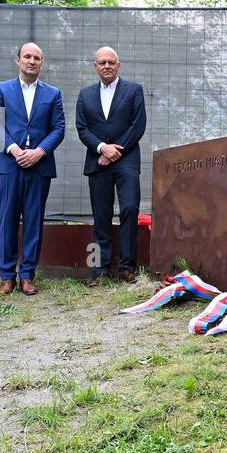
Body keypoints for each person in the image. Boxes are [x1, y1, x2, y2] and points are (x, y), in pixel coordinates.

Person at [0, 42, 65, 295]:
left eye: (37, 58)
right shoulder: (1, 89)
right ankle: (7, 276)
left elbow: (58, 128)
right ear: (18, 60)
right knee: (7, 220)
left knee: (34, 221)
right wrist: (14, 149)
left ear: (42, 63)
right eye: (27, 57)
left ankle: (28, 275)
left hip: (39, 166)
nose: (32, 61)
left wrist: (39, 152)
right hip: (9, 164)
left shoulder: (53, 93)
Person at [75, 46, 147, 285]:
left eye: (111, 62)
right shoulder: (85, 95)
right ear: (95, 66)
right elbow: (82, 128)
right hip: (98, 161)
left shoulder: (134, 90)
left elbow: (138, 125)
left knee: (129, 209)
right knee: (100, 215)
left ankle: (127, 267)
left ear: (119, 65)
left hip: (126, 160)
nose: (107, 66)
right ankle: (99, 269)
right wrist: (101, 148)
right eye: (102, 62)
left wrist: (114, 151)